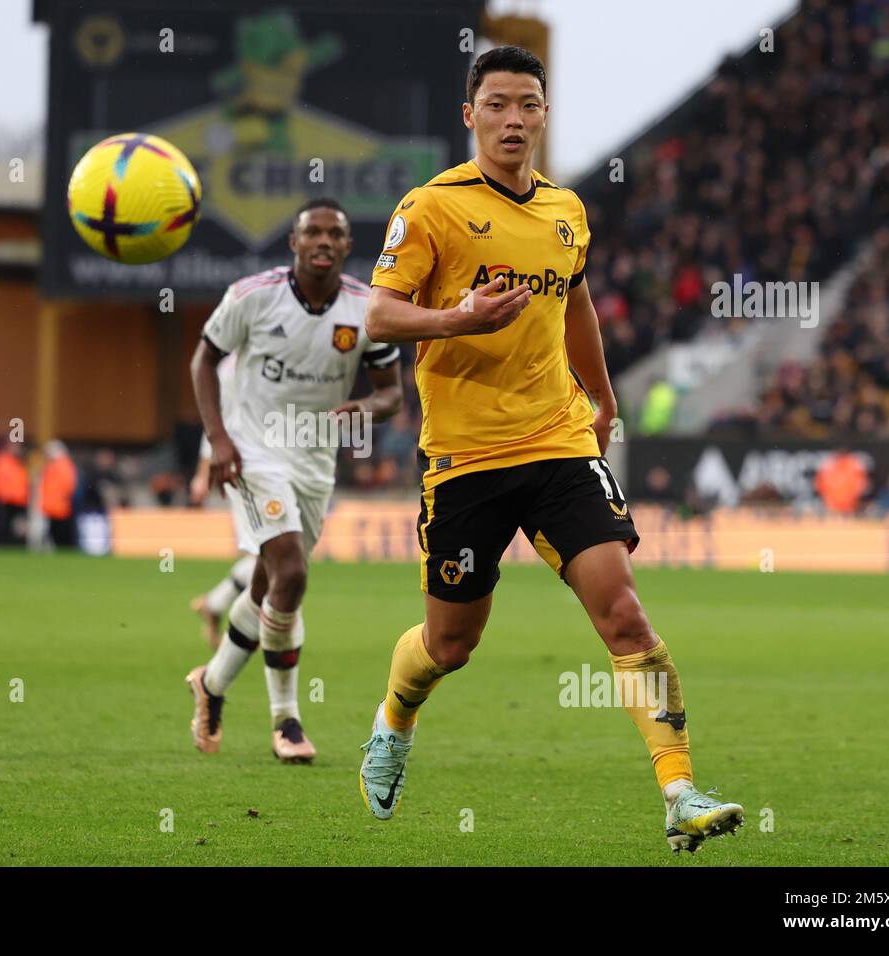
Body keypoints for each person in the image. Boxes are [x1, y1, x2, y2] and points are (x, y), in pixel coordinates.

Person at [356, 47, 743, 854]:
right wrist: (457, 320)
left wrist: (602, 396)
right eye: (496, 105)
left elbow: (575, 301)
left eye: (527, 105)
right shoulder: (429, 209)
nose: (512, 120)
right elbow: (378, 318)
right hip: (464, 456)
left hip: (559, 440)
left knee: (625, 611)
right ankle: (394, 720)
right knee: (450, 646)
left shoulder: (567, 209)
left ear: (543, 113)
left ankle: (680, 792)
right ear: (470, 115)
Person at [186, 197, 403, 764]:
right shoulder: (251, 296)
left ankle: (210, 685)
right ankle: (287, 721)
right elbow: (203, 361)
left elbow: (392, 392)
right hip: (255, 452)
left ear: (348, 246)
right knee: (292, 572)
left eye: (335, 233)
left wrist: (363, 409)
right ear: (294, 243)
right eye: (313, 232)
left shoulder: (365, 309)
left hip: (314, 462)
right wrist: (220, 440)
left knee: (267, 586)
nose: (324, 241)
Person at [187, 351, 258, 650]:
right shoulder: (229, 370)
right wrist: (203, 473)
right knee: (269, 552)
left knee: (271, 553)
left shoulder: (263, 357)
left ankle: (215, 605)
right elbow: (214, 422)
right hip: (242, 469)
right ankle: (246, 629)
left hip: (268, 468)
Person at [39, 440, 77, 549]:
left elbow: (67, 486)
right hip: (55, 507)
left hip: (57, 508)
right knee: (56, 535)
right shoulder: (61, 465)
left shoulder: (60, 465)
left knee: (59, 536)